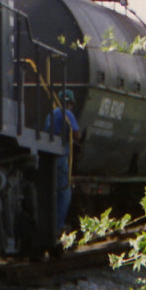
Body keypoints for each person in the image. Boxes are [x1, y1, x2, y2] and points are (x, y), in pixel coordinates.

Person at [46, 90, 81, 235]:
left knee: (50, 193)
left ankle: (49, 224)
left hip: (47, 156)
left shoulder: (50, 114)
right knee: (65, 193)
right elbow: (76, 134)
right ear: (71, 103)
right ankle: (58, 226)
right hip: (60, 157)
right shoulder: (68, 114)